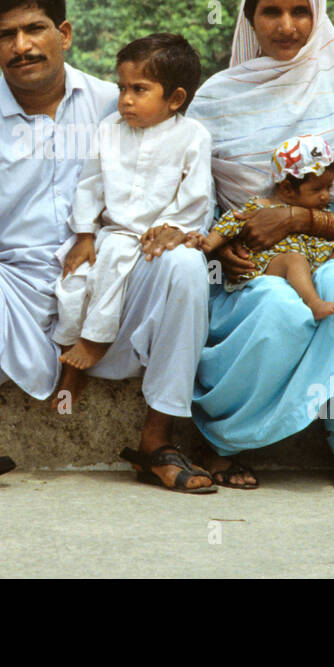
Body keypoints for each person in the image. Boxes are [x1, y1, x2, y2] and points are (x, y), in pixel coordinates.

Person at [0, 0, 217, 498]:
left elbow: (184, 159)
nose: (22, 46)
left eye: (35, 29)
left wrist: (181, 231)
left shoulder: (117, 103)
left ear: (65, 33)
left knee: (184, 265)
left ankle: (157, 442)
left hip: (111, 290)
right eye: (6, 35)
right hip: (9, 295)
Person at [186, 0, 334, 491]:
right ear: (249, 18)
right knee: (278, 305)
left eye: (301, 11)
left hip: (325, 253)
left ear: (319, 14)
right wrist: (219, 247)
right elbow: (196, 201)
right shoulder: (214, 100)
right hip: (244, 274)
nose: (286, 26)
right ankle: (228, 441)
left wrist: (298, 217)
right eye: (271, 12)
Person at [54, 33, 213, 404]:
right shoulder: (109, 129)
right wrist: (83, 236)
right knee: (72, 283)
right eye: (122, 87)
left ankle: (92, 344)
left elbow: (196, 198)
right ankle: (68, 363)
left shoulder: (193, 137)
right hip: (110, 232)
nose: (125, 99)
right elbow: (90, 185)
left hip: (152, 242)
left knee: (113, 263)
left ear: (175, 99)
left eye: (139, 89)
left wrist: (171, 226)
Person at [188, 135, 334, 318]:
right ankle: (314, 303)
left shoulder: (314, 210)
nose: (326, 196)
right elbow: (231, 222)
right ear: (288, 188)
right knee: (294, 260)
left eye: (328, 188)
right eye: (317, 189)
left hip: (309, 255)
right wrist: (208, 244)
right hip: (270, 260)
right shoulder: (262, 207)